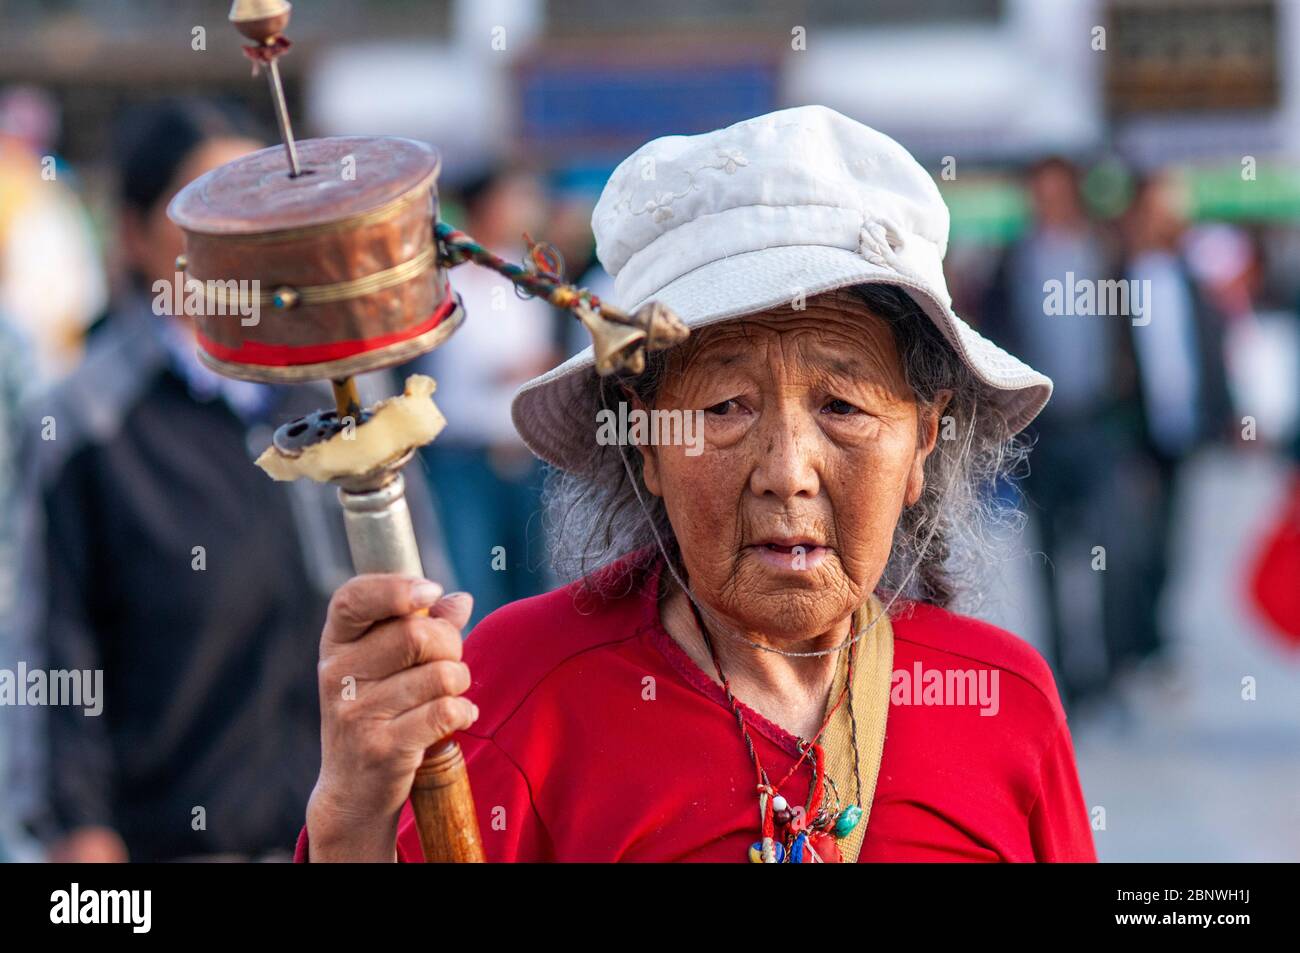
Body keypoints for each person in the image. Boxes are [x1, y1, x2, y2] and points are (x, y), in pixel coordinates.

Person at [298, 106, 1096, 862]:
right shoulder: (518, 693)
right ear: (645, 437)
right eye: (724, 407)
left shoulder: (1001, 698)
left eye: (843, 404)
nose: (787, 473)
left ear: (924, 436)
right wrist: (352, 817)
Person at [26, 99, 454, 862]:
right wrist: (80, 842)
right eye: (207, 213)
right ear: (132, 234)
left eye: (260, 209)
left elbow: (430, 599)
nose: (246, 240)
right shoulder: (87, 422)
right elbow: (48, 651)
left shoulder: (348, 399)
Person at [413, 165, 561, 626]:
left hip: (524, 451)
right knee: (472, 577)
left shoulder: (527, 273)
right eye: (511, 200)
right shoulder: (445, 281)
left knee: (531, 579)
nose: (522, 211)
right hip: (465, 455)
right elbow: (466, 360)